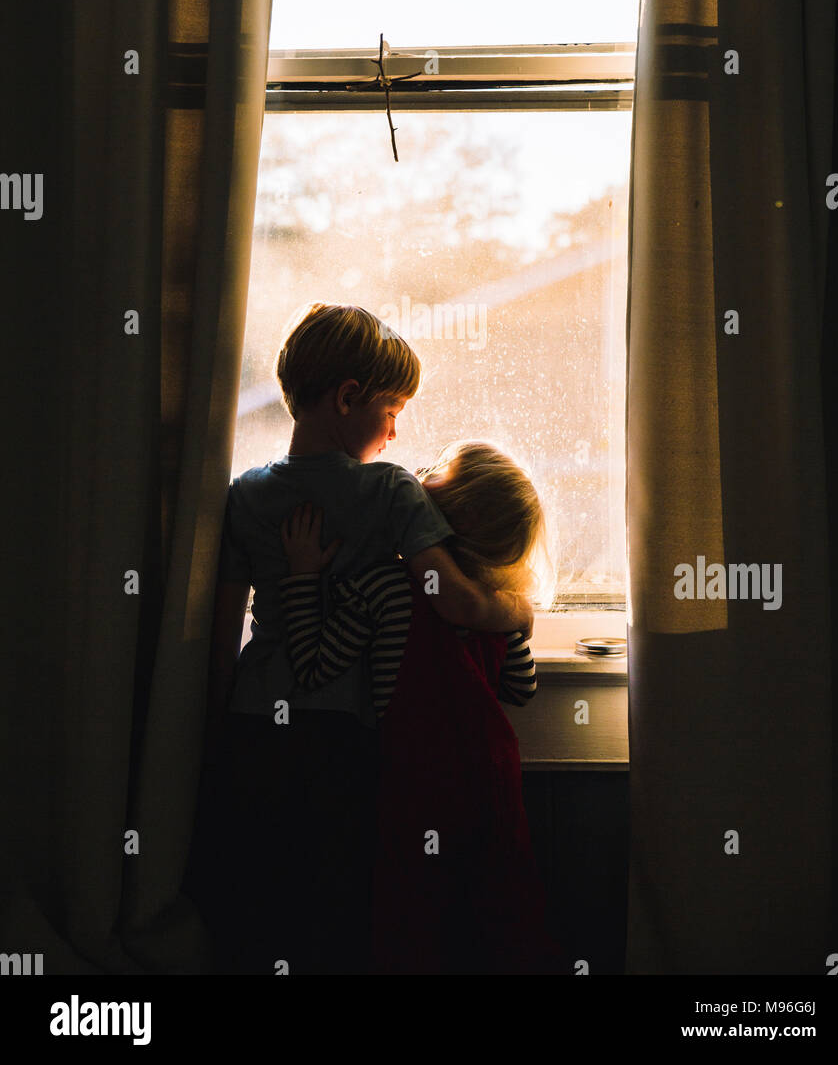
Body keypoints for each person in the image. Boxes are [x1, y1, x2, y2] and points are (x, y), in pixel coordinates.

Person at [184, 304, 534, 975]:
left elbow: (222, 632)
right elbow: (452, 597)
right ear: (348, 399)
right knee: (337, 907)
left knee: (257, 901)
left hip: (255, 726)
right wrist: (515, 610)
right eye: (393, 409)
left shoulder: (244, 496)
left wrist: (213, 736)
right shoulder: (389, 490)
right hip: (342, 735)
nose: (398, 430)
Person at [279, 440, 568, 975]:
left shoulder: (385, 585)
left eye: (436, 470)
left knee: (413, 918)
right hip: (492, 775)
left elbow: (315, 666)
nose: (419, 472)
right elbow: (521, 689)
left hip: (417, 779)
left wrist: (301, 576)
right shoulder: (494, 605)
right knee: (501, 909)